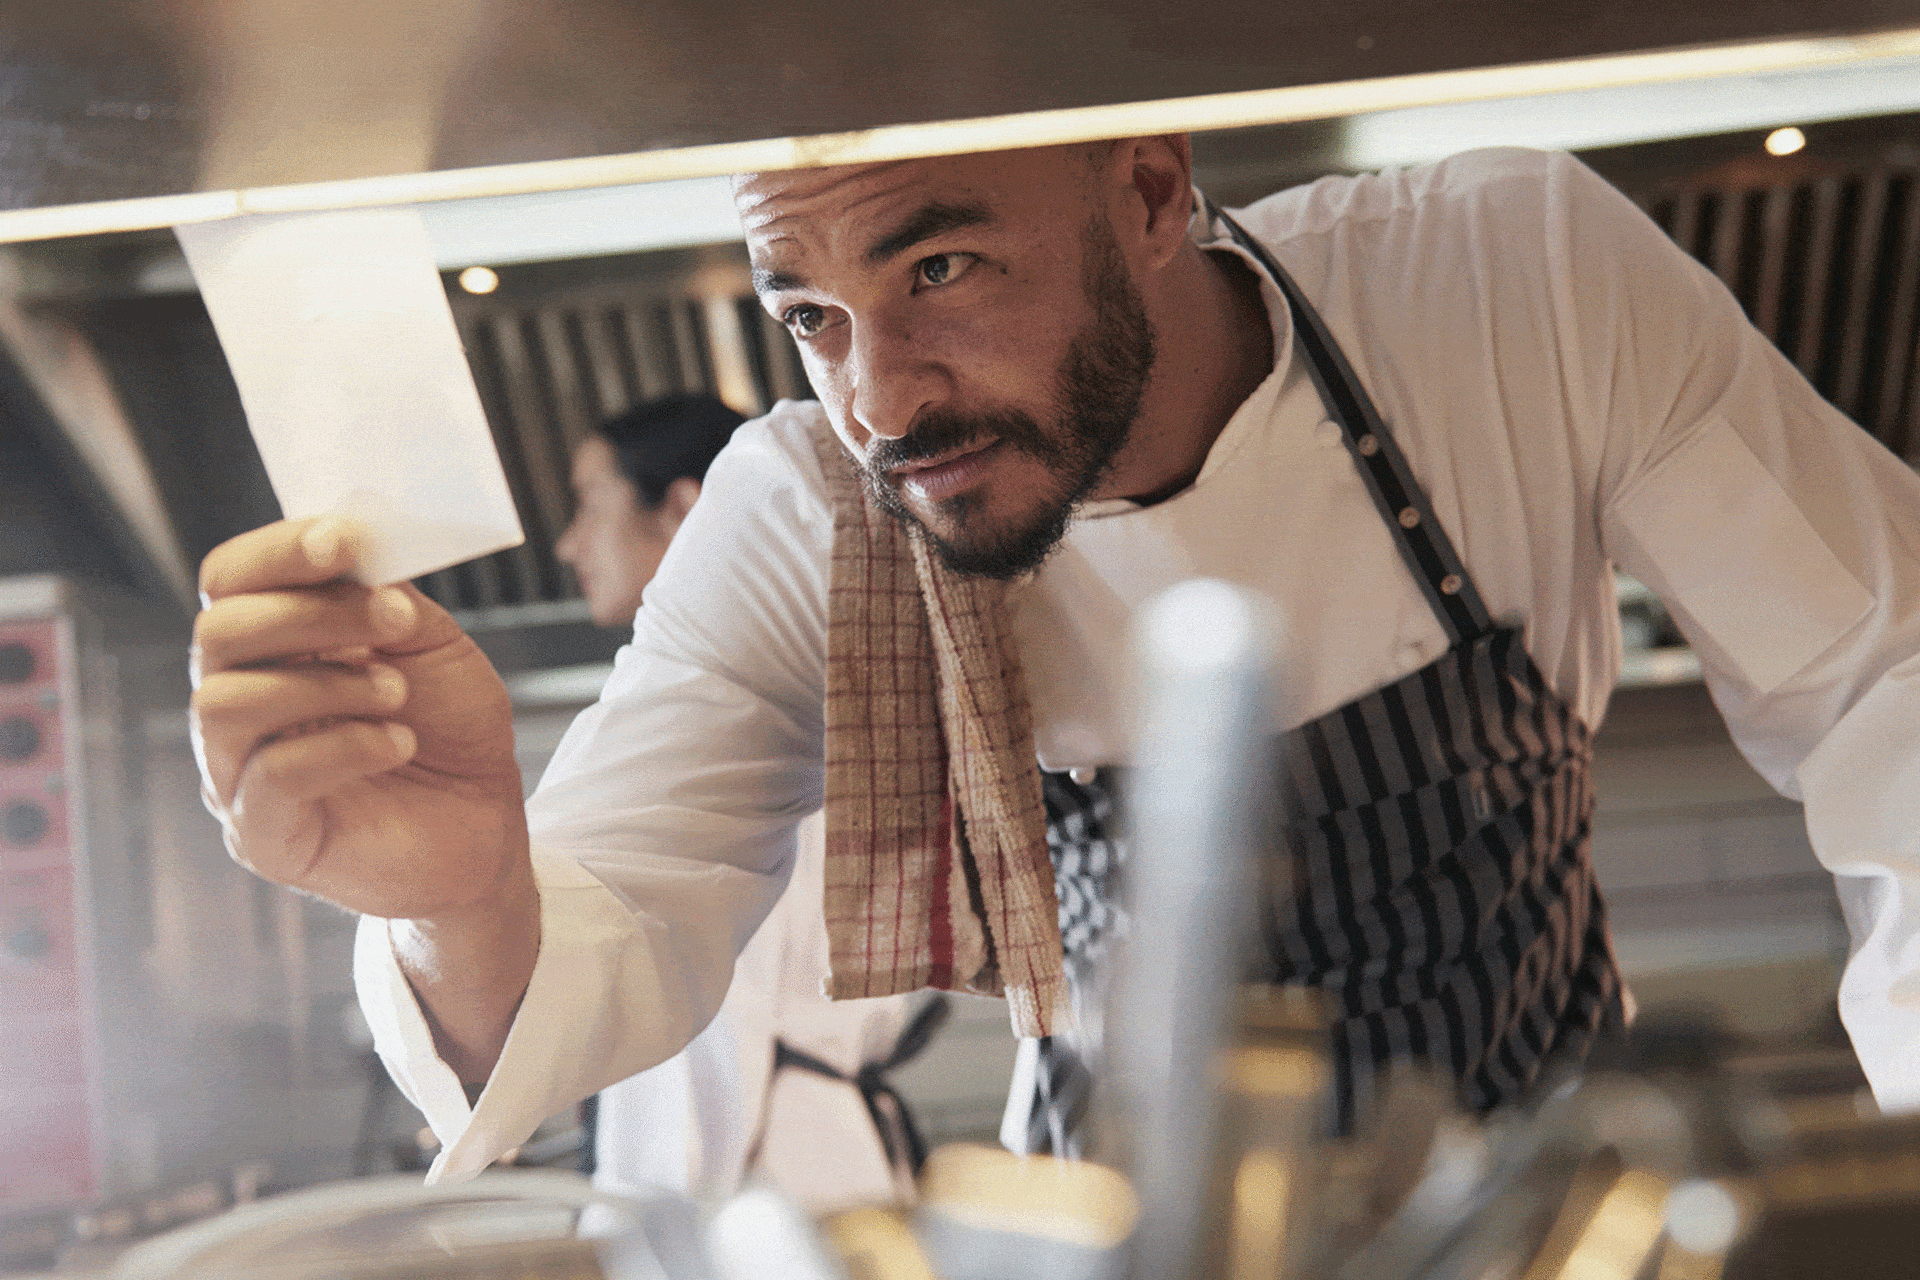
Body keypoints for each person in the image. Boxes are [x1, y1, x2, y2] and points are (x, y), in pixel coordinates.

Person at [191, 136, 1920, 1182]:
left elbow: (1884, 690)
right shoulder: (810, 510)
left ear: (1151, 190)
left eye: (941, 264)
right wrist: (461, 893)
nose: (877, 398)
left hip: (1549, 1216)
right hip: (1124, 1237)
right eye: (808, 314)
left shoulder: (1508, 290)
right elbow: (610, 926)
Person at [555, 392, 942, 1208]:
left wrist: (639, 1231)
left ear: (684, 507)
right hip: (812, 1170)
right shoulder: (829, 677)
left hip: (763, 1191)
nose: (567, 544)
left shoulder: (741, 723)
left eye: (591, 503)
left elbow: (701, 1026)